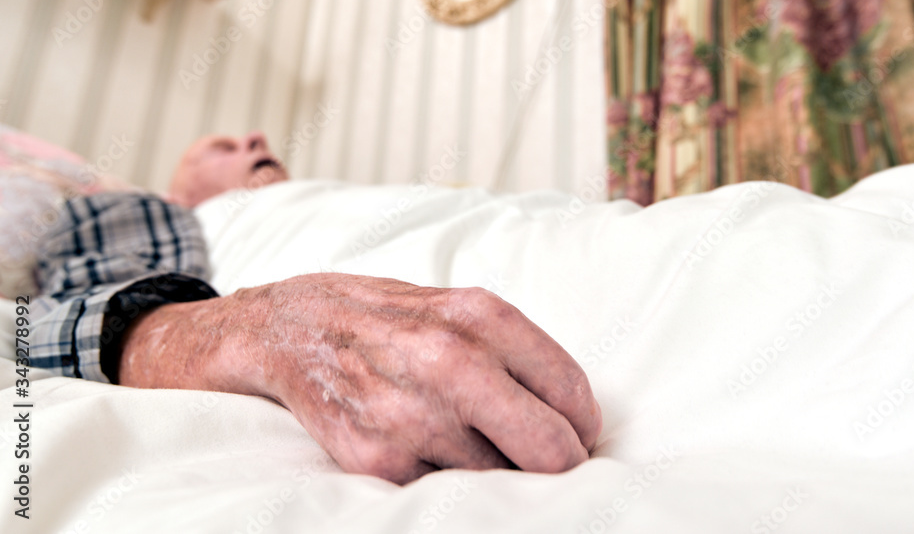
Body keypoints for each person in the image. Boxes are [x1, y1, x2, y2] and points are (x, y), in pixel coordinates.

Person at [31, 132, 602, 485]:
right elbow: (46, 322)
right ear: (178, 196)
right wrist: (266, 327)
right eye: (221, 146)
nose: (255, 137)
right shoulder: (151, 214)